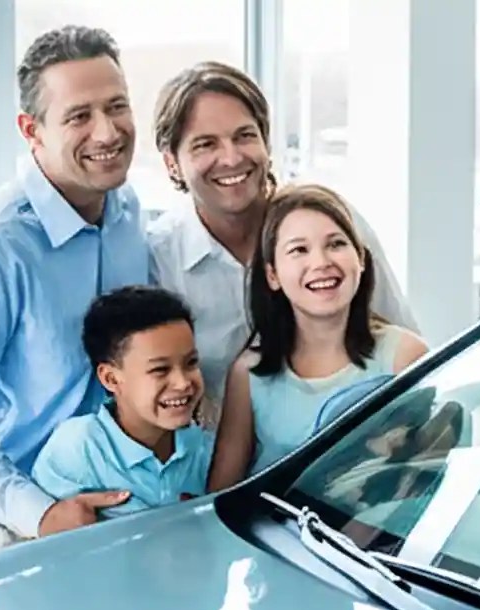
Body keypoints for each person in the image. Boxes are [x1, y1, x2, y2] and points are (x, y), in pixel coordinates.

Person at [0, 26, 149, 553]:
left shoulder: (129, 211)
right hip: (29, 528)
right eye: (79, 116)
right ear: (31, 130)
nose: (108, 132)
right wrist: (39, 513)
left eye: (117, 106)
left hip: (134, 508)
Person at [146, 61, 418, 408]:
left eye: (244, 136)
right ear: (172, 162)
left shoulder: (331, 223)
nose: (231, 158)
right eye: (205, 145)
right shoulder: (159, 258)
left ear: (266, 142)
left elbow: (404, 346)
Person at [207, 183, 427, 492]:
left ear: (360, 260)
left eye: (336, 244)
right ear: (272, 275)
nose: (321, 262)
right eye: (299, 250)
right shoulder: (248, 373)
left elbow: (426, 480)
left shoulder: (405, 356)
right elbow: (221, 495)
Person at [32, 286, 213, 518]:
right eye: (160, 369)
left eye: (191, 363)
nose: (182, 383)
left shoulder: (206, 449)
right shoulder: (76, 452)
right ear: (111, 378)